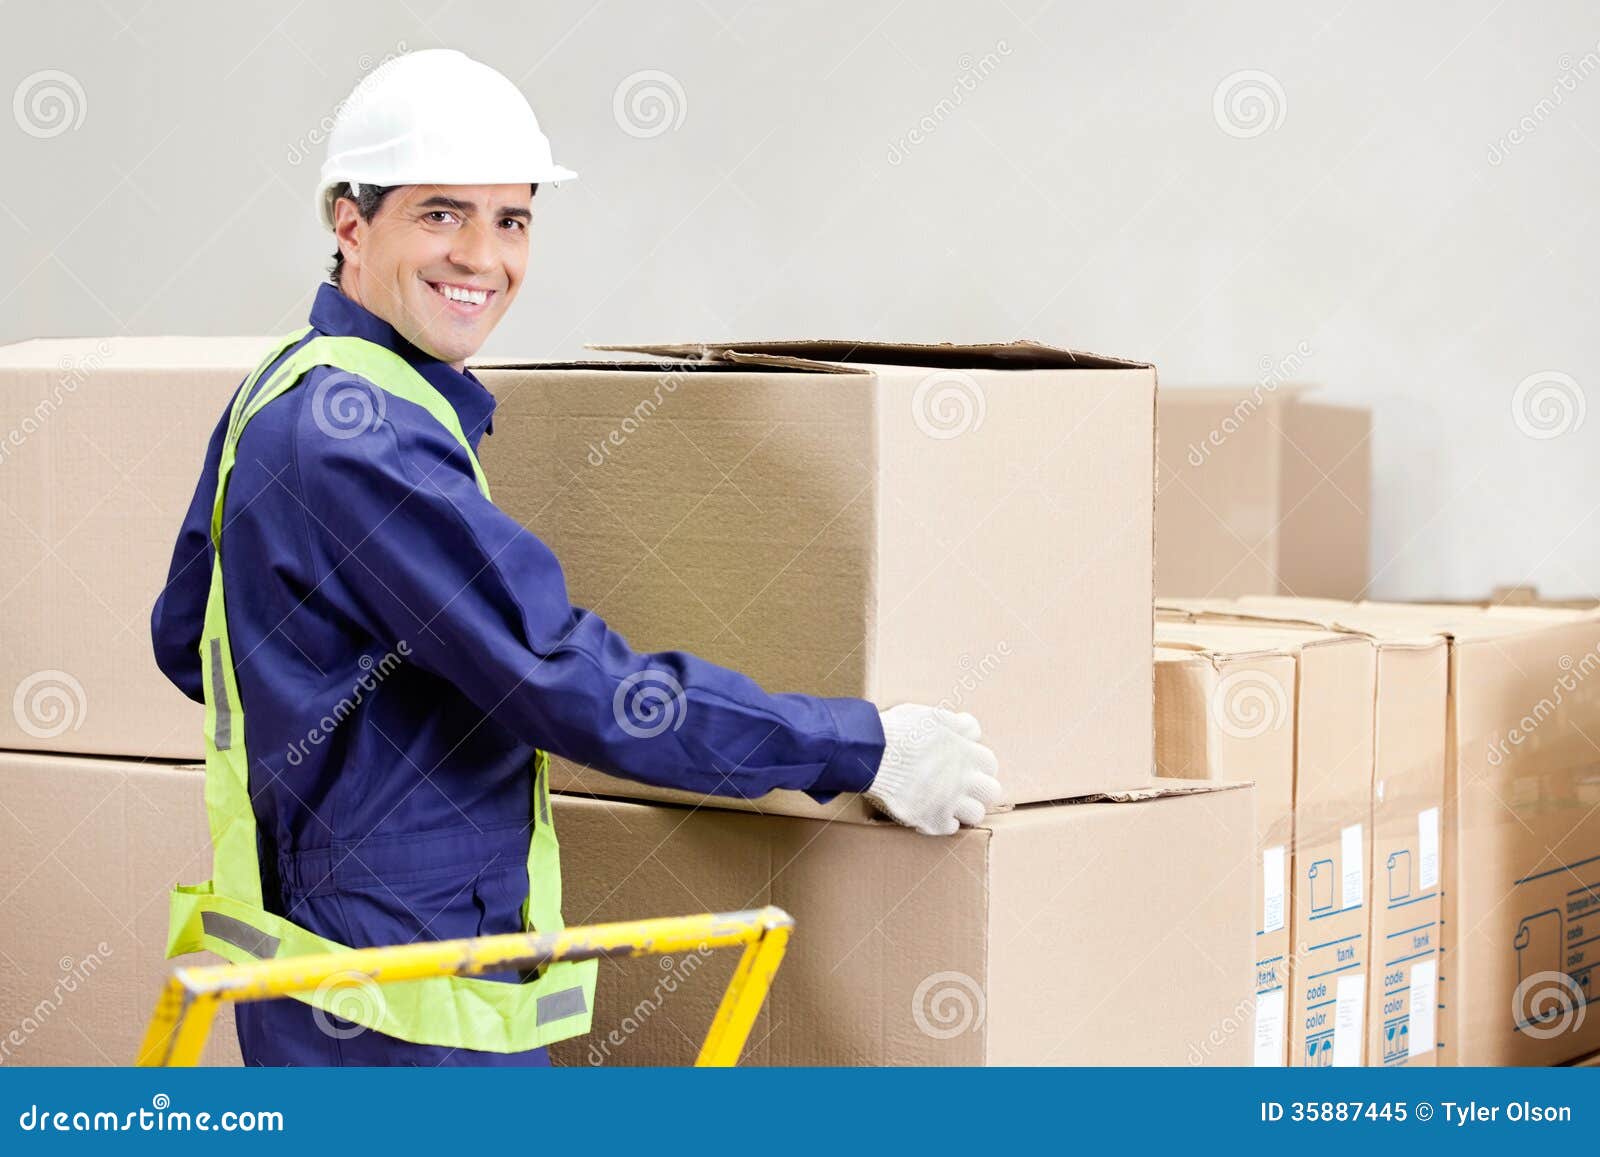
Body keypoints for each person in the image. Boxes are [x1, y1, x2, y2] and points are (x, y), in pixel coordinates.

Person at [151, 49, 1000, 1067]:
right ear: (351, 223)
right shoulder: (360, 438)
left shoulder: (291, 384)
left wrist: (363, 724)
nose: (482, 256)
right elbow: (568, 680)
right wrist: (862, 748)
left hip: (329, 971)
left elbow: (184, 635)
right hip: (408, 1003)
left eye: (512, 220)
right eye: (440, 213)